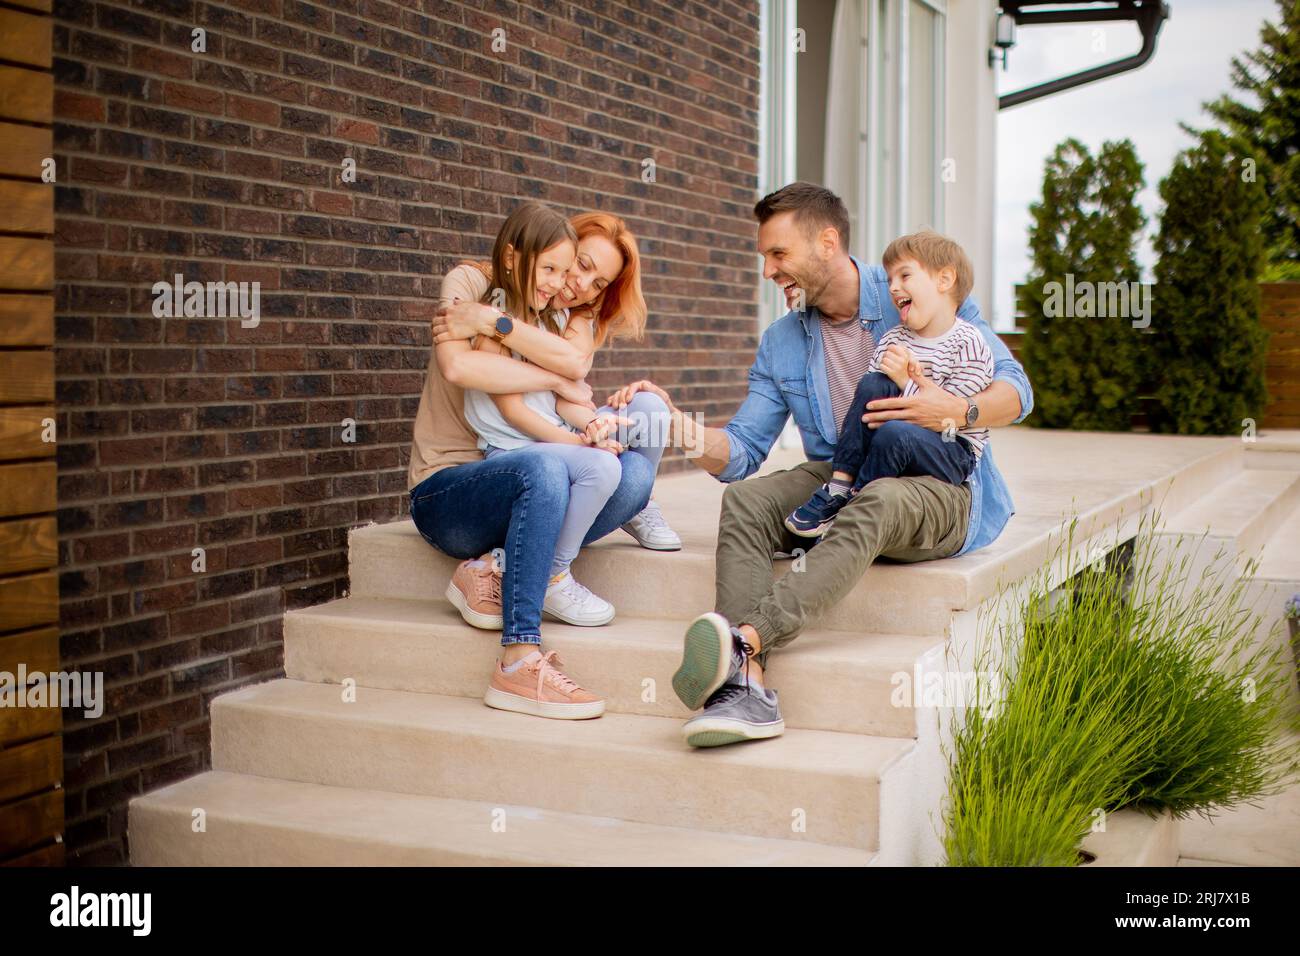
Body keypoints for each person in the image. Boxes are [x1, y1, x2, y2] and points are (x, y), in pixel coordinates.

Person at [605, 182, 1034, 747]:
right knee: (747, 500)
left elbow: (1017, 391)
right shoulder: (782, 341)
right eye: (764, 257)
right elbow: (741, 453)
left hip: (940, 484)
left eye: (778, 255)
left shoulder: (916, 286)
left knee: (880, 499)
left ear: (827, 242)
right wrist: (677, 425)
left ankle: (748, 640)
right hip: (844, 474)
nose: (768, 271)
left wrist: (953, 409)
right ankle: (745, 690)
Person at [407, 204, 675, 720]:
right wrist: (552, 381)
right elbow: (461, 365)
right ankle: (518, 658)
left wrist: (592, 426)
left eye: (596, 281)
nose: (574, 285)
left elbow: (573, 372)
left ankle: (502, 564)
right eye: (572, 267)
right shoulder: (468, 281)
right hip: (449, 490)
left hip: (523, 479)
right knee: (547, 466)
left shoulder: (560, 314)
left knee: (632, 473)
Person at [785, 230, 994, 537]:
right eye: (890, 278)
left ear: (944, 280)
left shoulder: (970, 343)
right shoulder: (894, 338)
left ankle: (858, 503)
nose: (894, 287)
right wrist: (891, 384)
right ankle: (839, 486)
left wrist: (905, 383)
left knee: (896, 431)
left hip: (951, 449)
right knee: (872, 385)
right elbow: (869, 404)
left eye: (905, 276)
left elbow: (951, 419)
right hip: (893, 438)